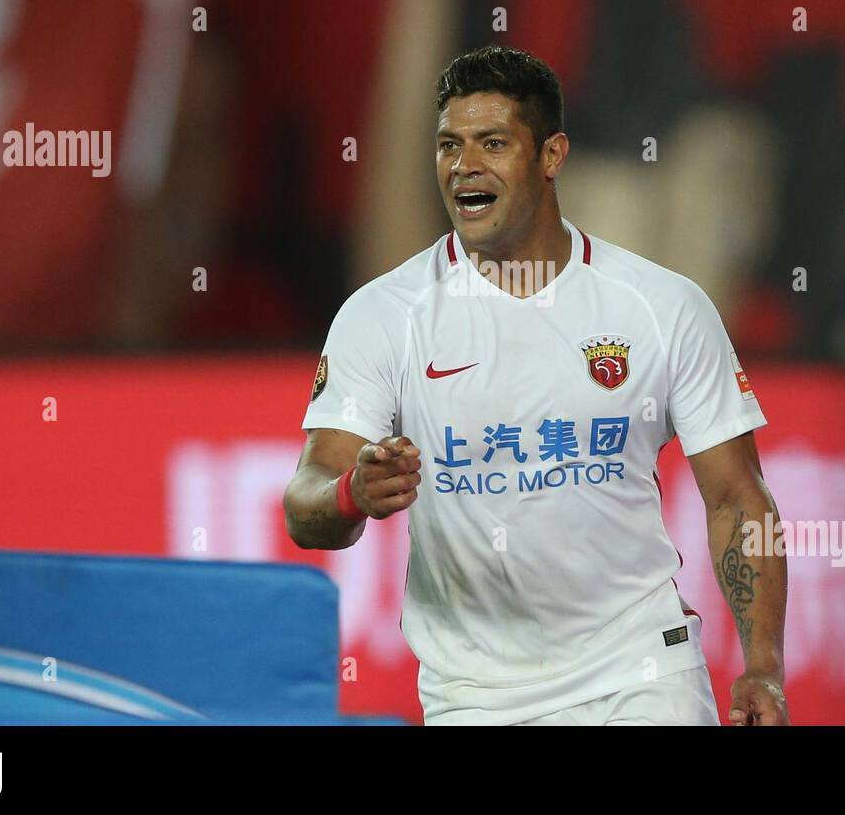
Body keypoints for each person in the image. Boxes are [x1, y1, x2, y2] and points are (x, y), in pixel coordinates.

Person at [285, 46, 788, 725]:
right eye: (448, 146)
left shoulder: (659, 307)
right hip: (475, 697)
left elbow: (736, 495)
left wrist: (763, 666)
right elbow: (306, 502)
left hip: (640, 671)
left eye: (492, 143)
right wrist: (352, 492)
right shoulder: (384, 317)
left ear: (551, 156)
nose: (464, 166)